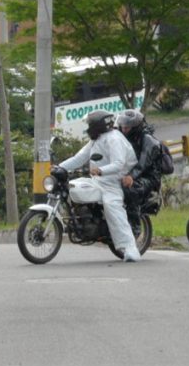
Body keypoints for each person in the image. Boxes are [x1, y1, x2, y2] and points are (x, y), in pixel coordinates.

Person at [55, 109, 141, 262]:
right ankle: (84, 221)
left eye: (90, 125)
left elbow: (119, 163)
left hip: (114, 183)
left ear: (98, 126)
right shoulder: (97, 139)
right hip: (98, 180)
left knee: (112, 206)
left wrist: (101, 170)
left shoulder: (114, 139)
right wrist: (58, 168)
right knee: (73, 187)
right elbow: (79, 158)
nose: (88, 128)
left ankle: (130, 248)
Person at [117, 108, 162, 220]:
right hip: (129, 173)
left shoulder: (149, 141)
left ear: (135, 127)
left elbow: (143, 164)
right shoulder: (123, 138)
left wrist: (131, 176)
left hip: (148, 177)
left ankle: (134, 227)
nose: (124, 129)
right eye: (122, 126)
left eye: (127, 127)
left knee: (129, 189)